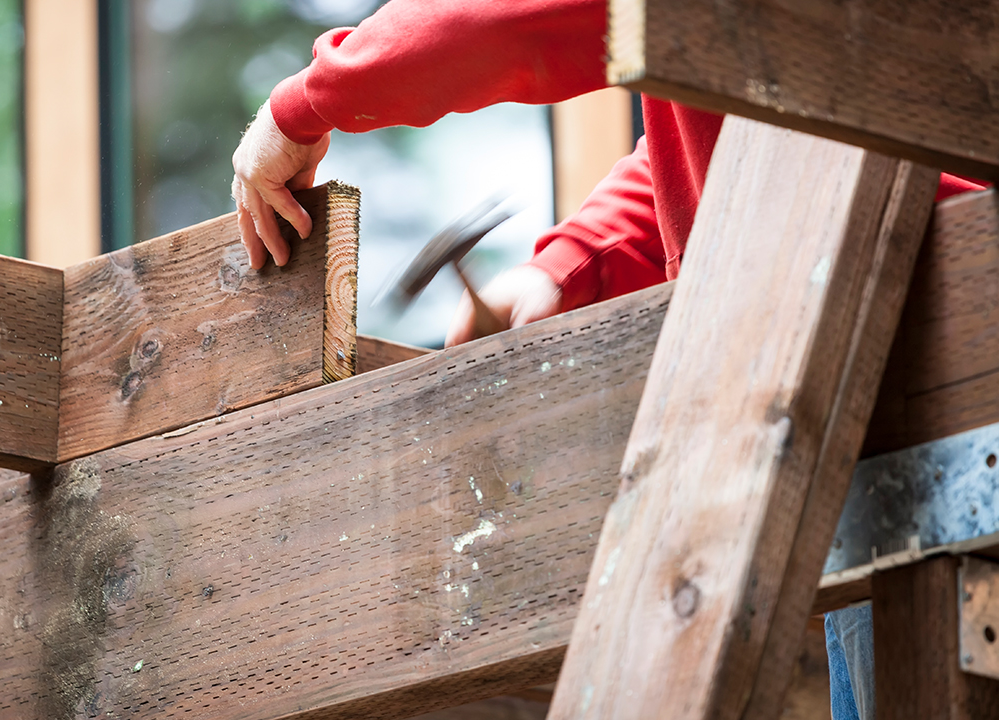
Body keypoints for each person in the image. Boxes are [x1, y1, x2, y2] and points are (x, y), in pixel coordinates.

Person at [229, 3, 985, 717]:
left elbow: (525, 20)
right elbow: (734, 128)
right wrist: (566, 265)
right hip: (883, 413)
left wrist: (307, 103)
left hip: (949, 358)